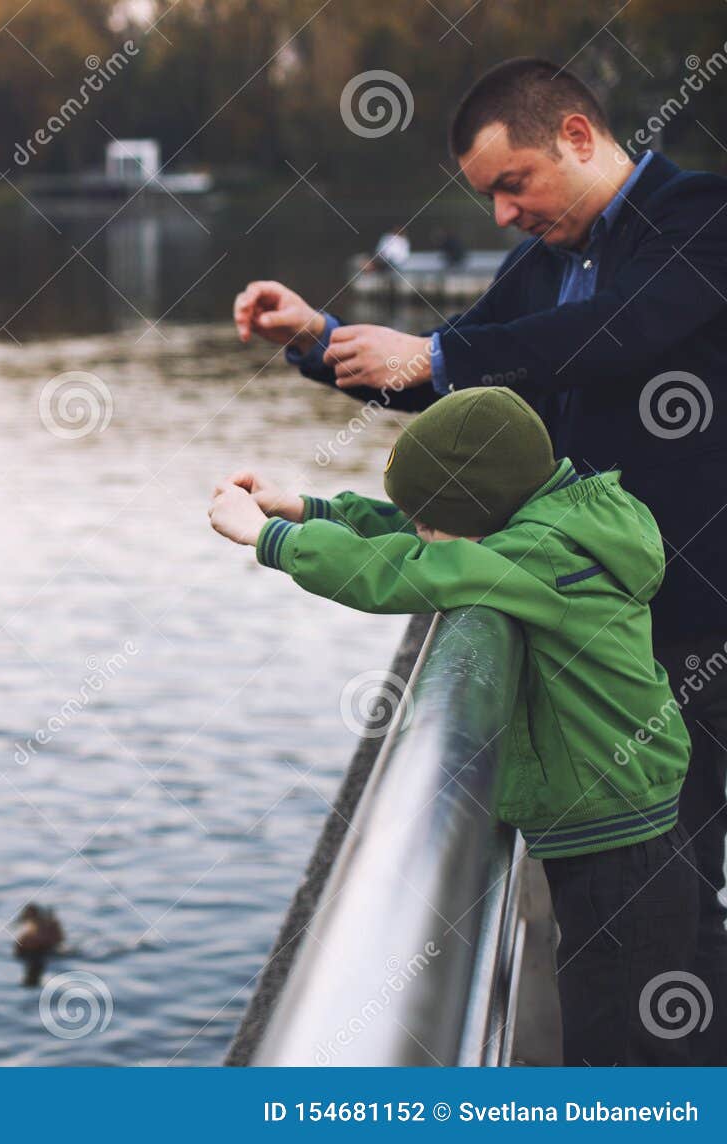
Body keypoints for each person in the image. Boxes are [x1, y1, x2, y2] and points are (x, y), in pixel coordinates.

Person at [231, 57, 727, 1063]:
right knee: (653, 896)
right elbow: (468, 372)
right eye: (488, 196)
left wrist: (442, 357)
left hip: (694, 620)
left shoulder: (699, 216)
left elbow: (617, 335)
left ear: (578, 138)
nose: (502, 215)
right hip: (598, 625)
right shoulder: (548, 257)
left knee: (666, 899)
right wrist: (321, 337)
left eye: (515, 184)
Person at [210, 387, 696, 1065]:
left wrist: (271, 537)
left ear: (479, 515)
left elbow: (403, 569)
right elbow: (434, 535)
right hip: (630, 831)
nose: (423, 530)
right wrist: (312, 506)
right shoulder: (556, 517)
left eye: (434, 517)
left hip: (618, 856)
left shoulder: (536, 555)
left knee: (618, 1054)